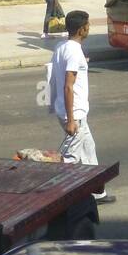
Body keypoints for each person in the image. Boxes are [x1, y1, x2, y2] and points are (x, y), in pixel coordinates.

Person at [49, 10, 114, 203]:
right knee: (70, 158)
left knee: (88, 149)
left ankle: (97, 192)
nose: (89, 28)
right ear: (81, 29)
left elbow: (55, 76)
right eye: (88, 25)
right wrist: (71, 120)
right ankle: (56, 196)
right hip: (74, 113)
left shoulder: (61, 47)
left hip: (67, 110)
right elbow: (68, 86)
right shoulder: (74, 52)